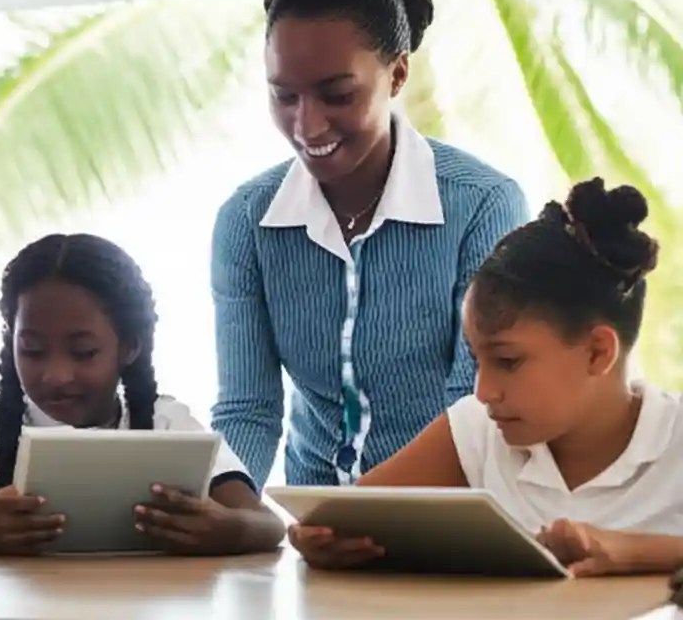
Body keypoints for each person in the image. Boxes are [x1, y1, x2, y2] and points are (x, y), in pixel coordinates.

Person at [211, 0, 529, 488]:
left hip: (448, 515)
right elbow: (248, 409)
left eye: (337, 95)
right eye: (284, 96)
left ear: (398, 74)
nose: (306, 124)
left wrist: (374, 508)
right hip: (316, 527)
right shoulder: (247, 222)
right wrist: (227, 507)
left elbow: (472, 403)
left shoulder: (482, 205)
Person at [290, 179, 683, 577]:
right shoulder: (479, 431)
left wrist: (631, 551)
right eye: (477, 359)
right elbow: (341, 517)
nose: (483, 391)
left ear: (598, 352)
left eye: (508, 361)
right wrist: (324, 541)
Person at [0, 234, 286, 555]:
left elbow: (266, 525)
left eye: (84, 352)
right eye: (31, 350)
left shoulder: (168, 424)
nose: (55, 375)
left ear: (128, 346)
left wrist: (224, 530)